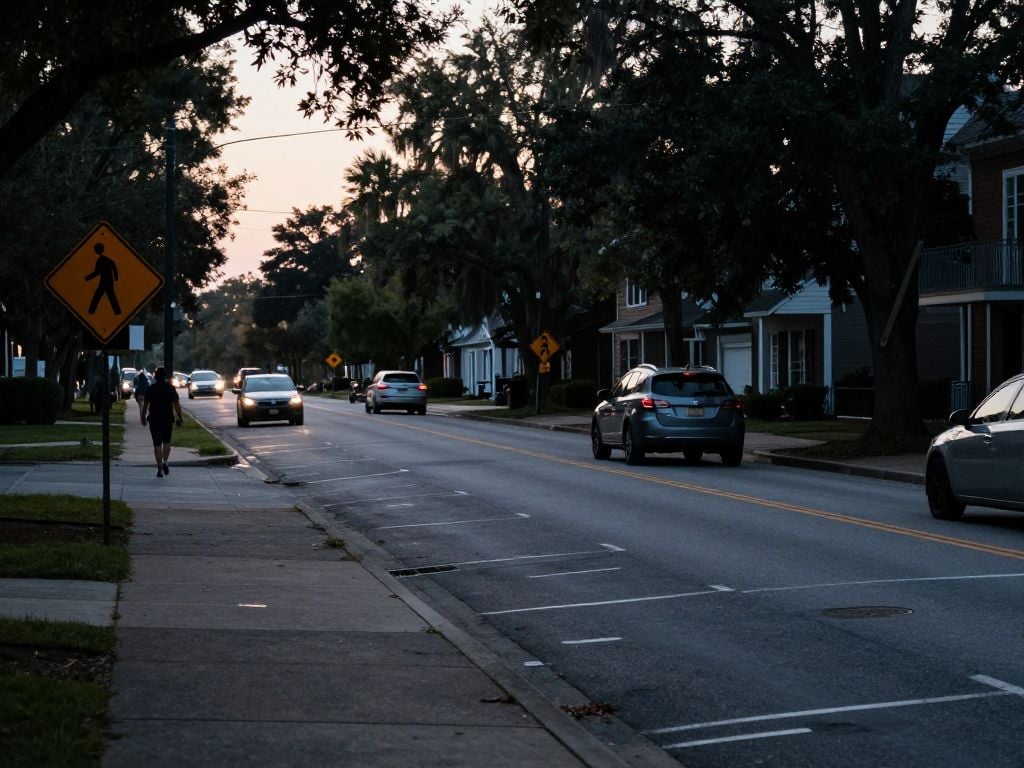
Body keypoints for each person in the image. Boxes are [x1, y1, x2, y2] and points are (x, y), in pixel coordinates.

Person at [140, 367, 183, 478]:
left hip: (154, 419)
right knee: (167, 442)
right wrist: (180, 416)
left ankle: (159, 466)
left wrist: (143, 418)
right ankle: (165, 461)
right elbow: (177, 405)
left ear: (155, 376)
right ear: (165, 377)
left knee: (157, 444)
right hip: (168, 419)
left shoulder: (151, 389)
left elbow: (145, 406)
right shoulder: (171, 388)